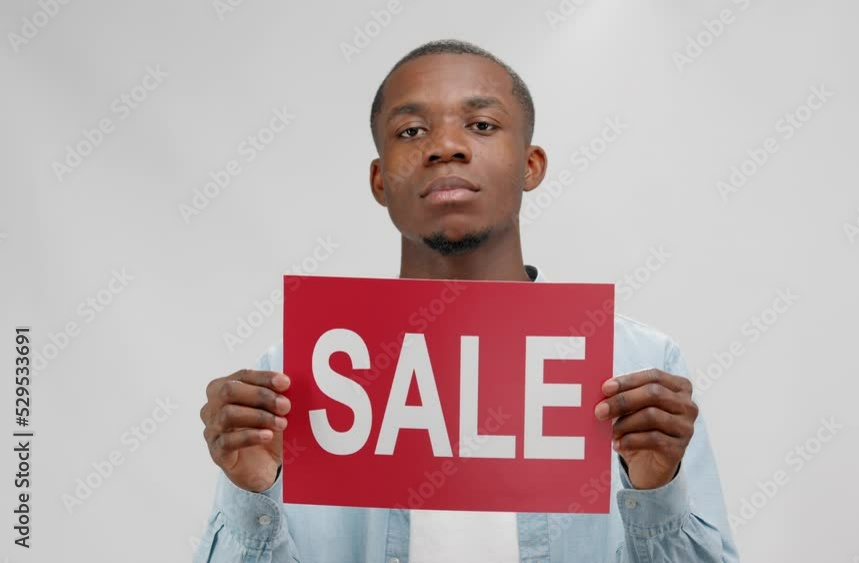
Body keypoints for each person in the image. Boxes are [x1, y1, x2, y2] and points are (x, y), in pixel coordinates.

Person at [196, 39, 740, 563]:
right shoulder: (296, 377)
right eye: (412, 131)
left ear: (530, 165)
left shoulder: (636, 367)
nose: (445, 147)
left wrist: (656, 490)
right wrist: (252, 494)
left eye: (481, 125)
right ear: (380, 180)